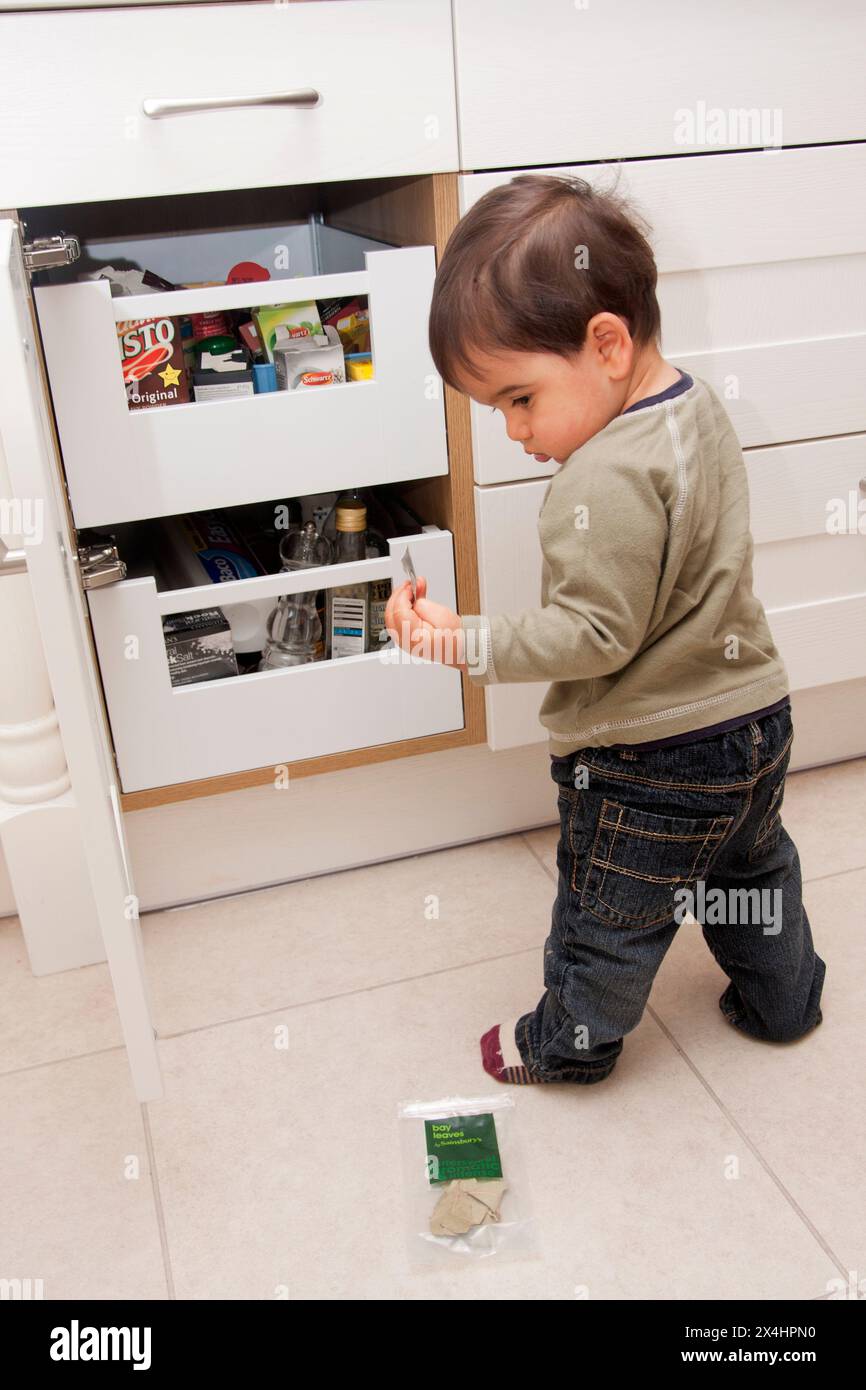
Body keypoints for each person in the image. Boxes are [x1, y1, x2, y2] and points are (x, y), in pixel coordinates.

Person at [383, 172, 825, 1085]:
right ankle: (785, 1003)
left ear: (608, 345)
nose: (512, 431)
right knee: (752, 875)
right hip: (756, 727)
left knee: (608, 919)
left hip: (649, 762)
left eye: (518, 399)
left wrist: (457, 640)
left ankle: (569, 1048)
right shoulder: (697, 407)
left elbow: (595, 637)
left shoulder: (597, 479)